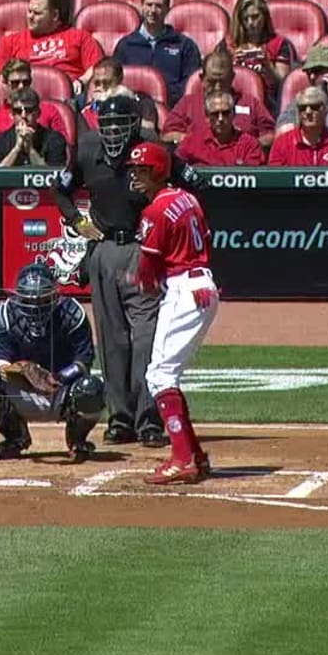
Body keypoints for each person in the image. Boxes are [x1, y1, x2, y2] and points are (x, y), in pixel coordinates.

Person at [51, 93, 169, 448]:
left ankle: (149, 419)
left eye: (120, 125)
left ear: (135, 124)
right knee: (112, 338)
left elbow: (188, 183)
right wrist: (76, 220)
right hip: (103, 249)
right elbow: (60, 188)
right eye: (107, 125)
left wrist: (161, 224)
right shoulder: (87, 148)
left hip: (142, 247)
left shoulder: (152, 147)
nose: (114, 132)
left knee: (146, 337)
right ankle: (120, 419)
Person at [124, 141, 220, 485]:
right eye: (134, 169)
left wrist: (140, 282)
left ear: (159, 170)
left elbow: (148, 268)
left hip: (183, 290)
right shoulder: (187, 198)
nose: (135, 175)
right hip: (202, 285)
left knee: (160, 376)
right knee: (166, 375)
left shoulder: (155, 211)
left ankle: (182, 458)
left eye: (142, 170)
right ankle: (192, 453)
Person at [0, 261, 105, 461]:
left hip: (62, 390)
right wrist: (20, 373)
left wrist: (56, 378)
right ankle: (16, 438)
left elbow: (84, 361)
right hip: (22, 391)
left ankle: (77, 440)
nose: (35, 306)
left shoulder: (72, 315)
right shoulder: (6, 316)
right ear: (19, 297)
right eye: (30, 301)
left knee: (91, 388)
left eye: (42, 301)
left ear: (54, 296)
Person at [0, 0, 102, 91]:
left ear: (55, 15)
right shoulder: (10, 41)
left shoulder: (80, 37)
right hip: (24, 99)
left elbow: (97, 68)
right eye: (29, 11)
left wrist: (81, 82)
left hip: (68, 97)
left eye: (37, 13)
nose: (30, 17)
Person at [163, 50, 276, 148]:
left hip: (240, 165)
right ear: (202, 78)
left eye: (223, 81)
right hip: (199, 164)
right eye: (212, 82)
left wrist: (249, 145)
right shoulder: (187, 104)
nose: (218, 87)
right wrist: (194, 142)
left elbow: (270, 135)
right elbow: (167, 135)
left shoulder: (250, 103)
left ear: (232, 78)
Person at [114, 0, 201, 107]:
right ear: (142, 7)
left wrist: (167, 96)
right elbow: (115, 80)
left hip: (172, 107)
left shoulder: (184, 45)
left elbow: (190, 83)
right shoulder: (125, 45)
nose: (153, 11)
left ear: (167, 9)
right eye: (149, 5)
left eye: (158, 6)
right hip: (132, 109)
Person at [219, 0, 295, 105]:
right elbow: (216, 77)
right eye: (245, 19)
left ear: (264, 16)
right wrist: (233, 65)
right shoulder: (228, 45)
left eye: (255, 17)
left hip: (268, 102)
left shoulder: (279, 44)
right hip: (233, 100)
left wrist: (267, 66)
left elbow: (283, 86)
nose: (250, 23)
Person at [268, 86, 328, 166]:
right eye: (303, 108)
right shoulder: (282, 143)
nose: (308, 112)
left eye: (314, 107)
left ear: (326, 110)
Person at [176, 89, 266, 166]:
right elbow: (177, 168)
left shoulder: (249, 144)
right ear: (207, 117)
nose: (220, 118)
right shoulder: (192, 141)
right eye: (215, 114)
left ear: (233, 114)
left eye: (225, 113)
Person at [0, 87, 67, 167]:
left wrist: (30, 150)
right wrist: (16, 149)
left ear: (38, 113)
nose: (23, 115)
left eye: (29, 110)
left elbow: (53, 176)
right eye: (18, 111)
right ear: (11, 115)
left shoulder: (55, 140)